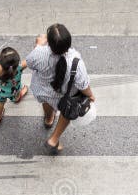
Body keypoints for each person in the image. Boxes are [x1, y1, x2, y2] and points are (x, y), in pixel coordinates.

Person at [25, 23, 96, 154]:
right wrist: (90, 95)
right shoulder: (76, 62)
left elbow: (29, 62)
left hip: (43, 91)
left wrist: (38, 46)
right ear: (68, 42)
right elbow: (83, 85)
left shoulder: (39, 53)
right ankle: (53, 140)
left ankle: (48, 118)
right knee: (67, 110)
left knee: (46, 102)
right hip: (64, 97)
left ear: (50, 44)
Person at [0, 46, 29, 126]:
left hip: (0, 92)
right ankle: (17, 99)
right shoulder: (19, 68)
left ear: (0, 61)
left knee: (0, 103)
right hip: (14, 91)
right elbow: (30, 60)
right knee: (16, 96)